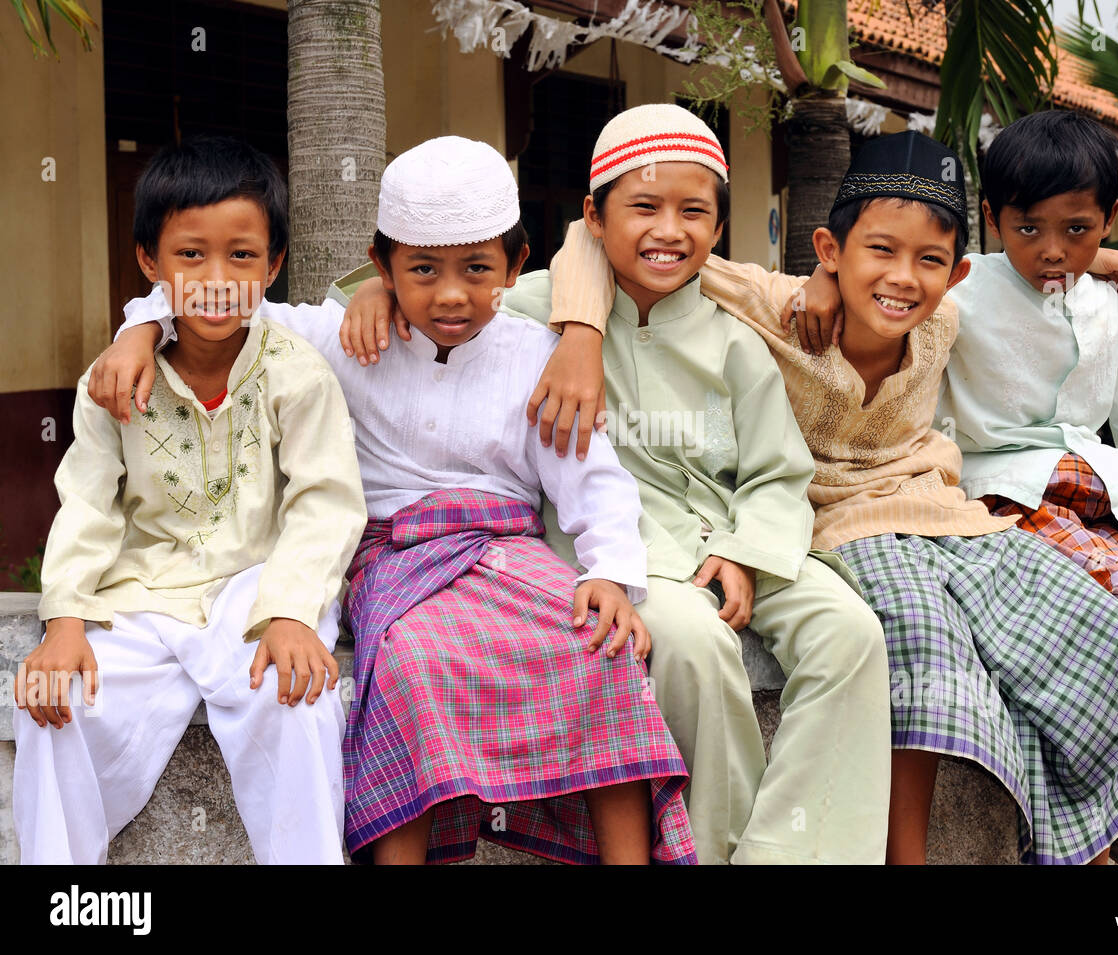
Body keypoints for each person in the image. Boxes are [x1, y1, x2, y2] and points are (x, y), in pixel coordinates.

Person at [512, 131, 1118, 865]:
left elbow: (1027, 264)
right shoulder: (777, 309)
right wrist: (582, 330)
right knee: (923, 643)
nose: (904, 278)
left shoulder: (947, 310)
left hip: (947, 512)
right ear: (830, 248)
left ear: (956, 271)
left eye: (929, 261)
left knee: (1086, 619)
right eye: (879, 250)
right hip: (838, 524)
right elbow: (624, 244)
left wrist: (1091, 255)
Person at [88, 137, 696, 865]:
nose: (449, 294)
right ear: (381, 266)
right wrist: (139, 330)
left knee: (603, 649)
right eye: (421, 270)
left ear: (514, 265)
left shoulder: (538, 355)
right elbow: (220, 299)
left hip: (509, 551)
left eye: (476, 269)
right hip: (393, 560)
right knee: (410, 662)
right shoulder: (340, 338)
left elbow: (593, 478)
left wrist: (608, 571)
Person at [341, 104, 892, 865]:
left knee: (853, 634)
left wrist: (747, 551)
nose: (669, 229)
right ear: (595, 218)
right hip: (626, 543)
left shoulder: (735, 337)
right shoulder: (532, 303)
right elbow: (429, 281)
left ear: (718, 226)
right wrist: (372, 297)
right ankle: (705, 849)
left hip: (733, 538)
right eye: (643, 207)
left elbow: (776, 473)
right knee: (693, 644)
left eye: (693, 211)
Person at [791, 111, 1118, 856]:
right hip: (1007, 497)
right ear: (990, 221)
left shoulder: (1103, 305)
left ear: (1107, 220)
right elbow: (885, 278)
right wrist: (822, 279)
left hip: (1101, 499)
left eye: (1076, 230)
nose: (1051, 251)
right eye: (1028, 230)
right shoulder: (957, 292)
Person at [13, 136, 368, 864]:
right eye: (190, 254)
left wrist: (295, 612)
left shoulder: (294, 372)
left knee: (294, 695)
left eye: (242, 256)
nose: (216, 279)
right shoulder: (112, 382)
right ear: (150, 263)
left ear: (273, 267)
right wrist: (66, 618)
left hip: (255, 588)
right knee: (55, 702)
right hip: (145, 591)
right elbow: (86, 501)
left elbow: (324, 502)